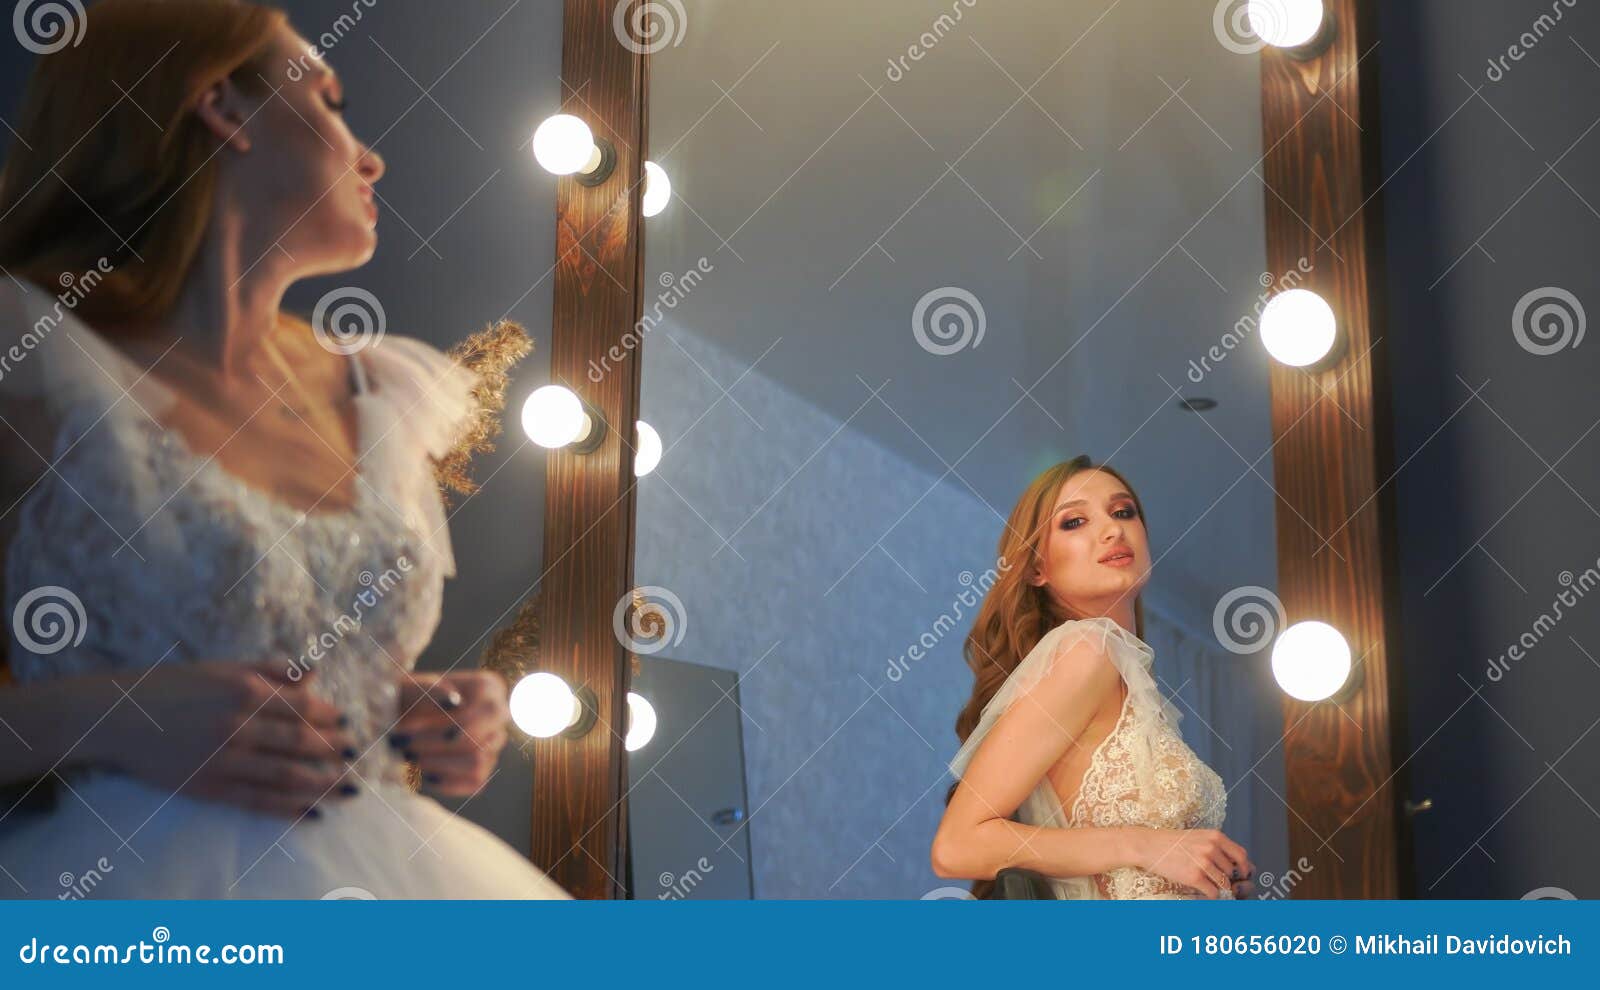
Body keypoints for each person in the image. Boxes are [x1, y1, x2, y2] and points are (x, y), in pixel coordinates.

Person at [0, 0, 568, 898]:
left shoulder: (378, 391)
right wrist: (115, 721)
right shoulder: (31, 359)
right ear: (223, 107)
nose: (370, 155)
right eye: (333, 99)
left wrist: (408, 715)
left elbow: (332, 667)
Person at [931, 456, 1254, 900]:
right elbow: (957, 845)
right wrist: (1143, 845)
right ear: (1036, 569)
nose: (1113, 530)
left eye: (1123, 512)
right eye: (1075, 522)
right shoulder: (1089, 649)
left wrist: (1209, 877)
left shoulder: (1124, 673)